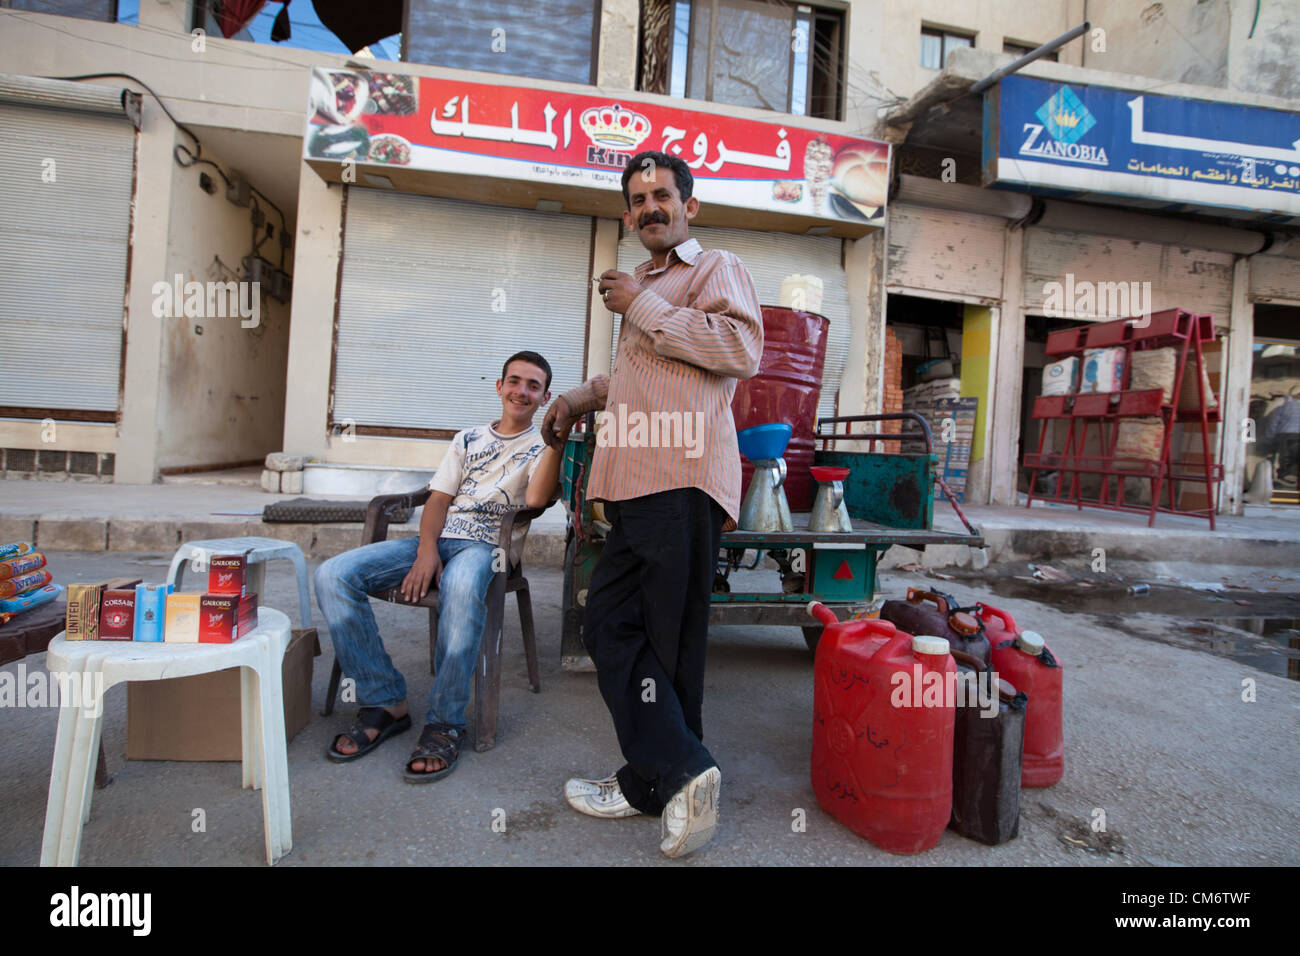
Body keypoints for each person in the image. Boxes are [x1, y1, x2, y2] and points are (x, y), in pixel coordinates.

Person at [543, 150, 763, 857]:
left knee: (665, 644)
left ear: (689, 205)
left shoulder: (712, 267)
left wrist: (640, 304)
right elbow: (647, 374)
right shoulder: (646, 283)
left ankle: (674, 777)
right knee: (613, 626)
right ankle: (663, 779)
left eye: (662, 195)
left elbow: (739, 346)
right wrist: (582, 395)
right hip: (636, 483)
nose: (650, 209)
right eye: (637, 200)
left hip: (681, 475)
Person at [316, 351, 563, 782]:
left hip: (489, 546)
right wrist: (426, 551)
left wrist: (556, 442)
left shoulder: (544, 446)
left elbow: (538, 501)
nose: (521, 391)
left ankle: (445, 721)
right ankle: (383, 699)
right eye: (515, 381)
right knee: (333, 574)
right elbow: (438, 500)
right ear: (500, 387)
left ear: (544, 397)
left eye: (533, 386)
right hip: (440, 538)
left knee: (463, 587)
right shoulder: (466, 439)